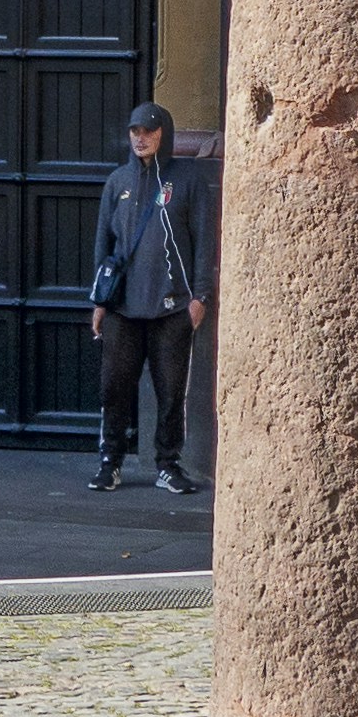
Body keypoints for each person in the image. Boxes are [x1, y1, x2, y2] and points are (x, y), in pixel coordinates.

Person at [86, 101, 214, 495]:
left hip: (172, 306)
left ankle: (168, 465)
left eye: (149, 131)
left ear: (164, 133)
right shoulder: (117, 182)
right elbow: (103, 246)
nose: (140, 139)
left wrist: (200, 297)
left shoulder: (187, 179)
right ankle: (110, 463)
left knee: (171, 390)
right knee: (114, 387)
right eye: (134, 132)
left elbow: (205, 240)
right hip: (123, 308)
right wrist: (100, 301)